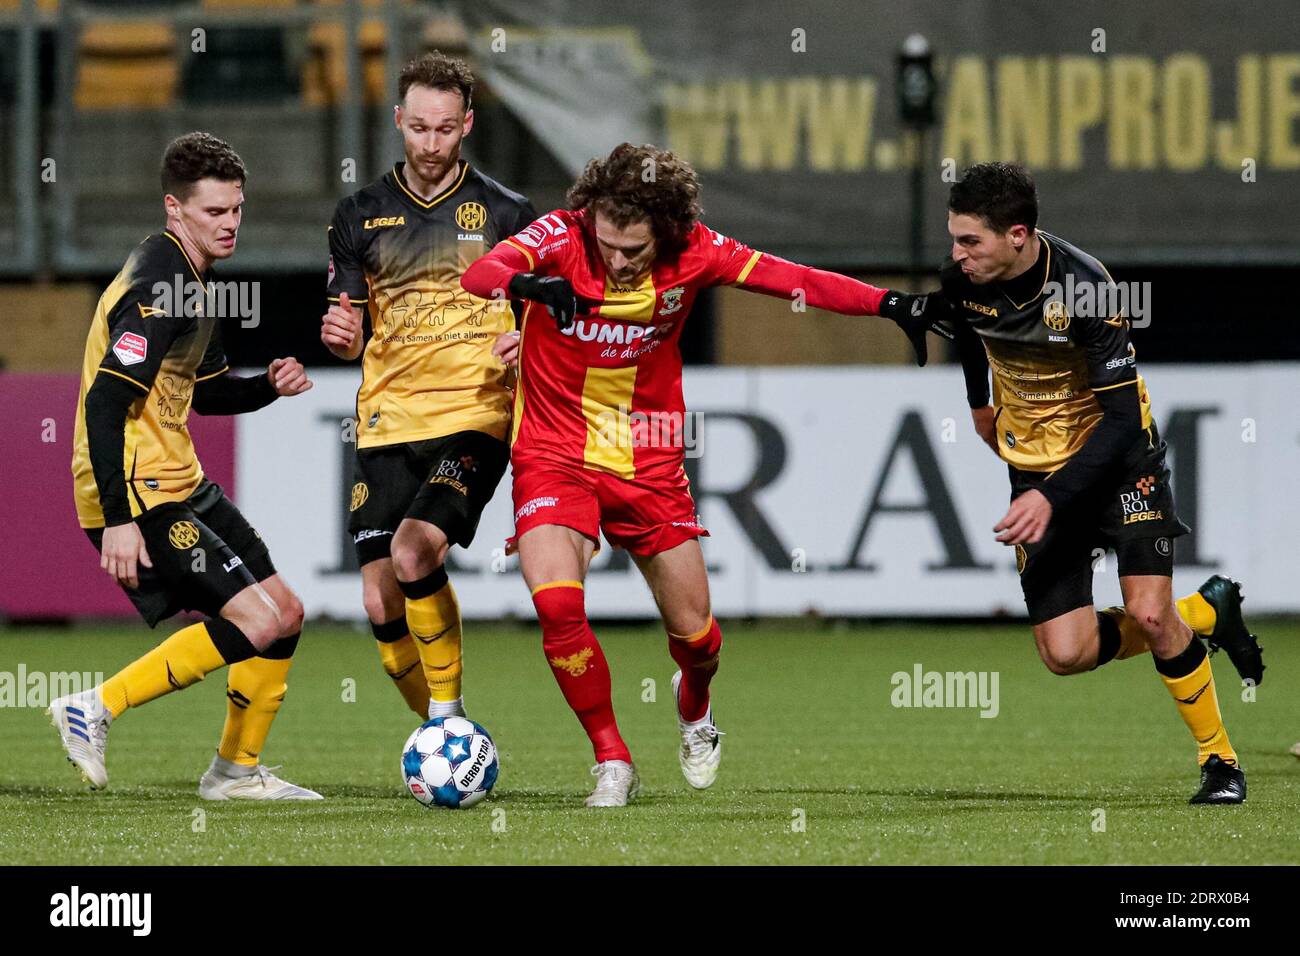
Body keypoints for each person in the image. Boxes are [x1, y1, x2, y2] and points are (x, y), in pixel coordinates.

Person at [462, 142, 928, 806]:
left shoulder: (697, 251)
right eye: (609, 246)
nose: (618, 262)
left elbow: (793, 279)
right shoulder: (562, 237)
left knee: (697, 637)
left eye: (634, 252)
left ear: (668, 233)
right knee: (558, 604)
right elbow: (482, 272)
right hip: (553, 451)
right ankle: (612, 759)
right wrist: (528, 283)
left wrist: (888, 305)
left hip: (648, 458)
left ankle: (695, 706)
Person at [894, 161, 1264, 804]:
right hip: (1035, 467)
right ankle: (1206, 611)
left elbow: (1122, 421)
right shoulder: (965, 278)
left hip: (1119, 463)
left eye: (969, 241)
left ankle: (1220, 763)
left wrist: (1049, 497)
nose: (956, 255)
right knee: (1064, 654)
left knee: (1150, 612)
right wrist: (979, 404)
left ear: (1017, 234)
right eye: (953, 239)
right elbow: (968, 331)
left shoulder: (1089, 289)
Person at [52, 132, 319, 799]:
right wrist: (117, 521)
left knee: (284, 611)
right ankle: (94, 706)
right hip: (140, 493)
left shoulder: (196, 279)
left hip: (180, 478)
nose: (229, 224)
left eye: (236, 210)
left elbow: (202, 392)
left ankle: (233, 772)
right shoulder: (164, 285)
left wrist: (266, 387)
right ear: (175, 208)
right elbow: (106, 403)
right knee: (257, 621)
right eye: (213, 213)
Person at [321, 53, 536, 725]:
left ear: (466, 124)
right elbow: (350, 329)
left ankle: (448, 720)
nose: (431, 144)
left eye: (445, 129)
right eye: (418, 128)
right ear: (398, 122)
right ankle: (450, 733)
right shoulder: (360, 213)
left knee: (415, 550)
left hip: (476, 416)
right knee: (382, 605)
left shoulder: (507, 212)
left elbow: (549, 315)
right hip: (387, 422)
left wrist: (530, 340)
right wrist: (340, 338)